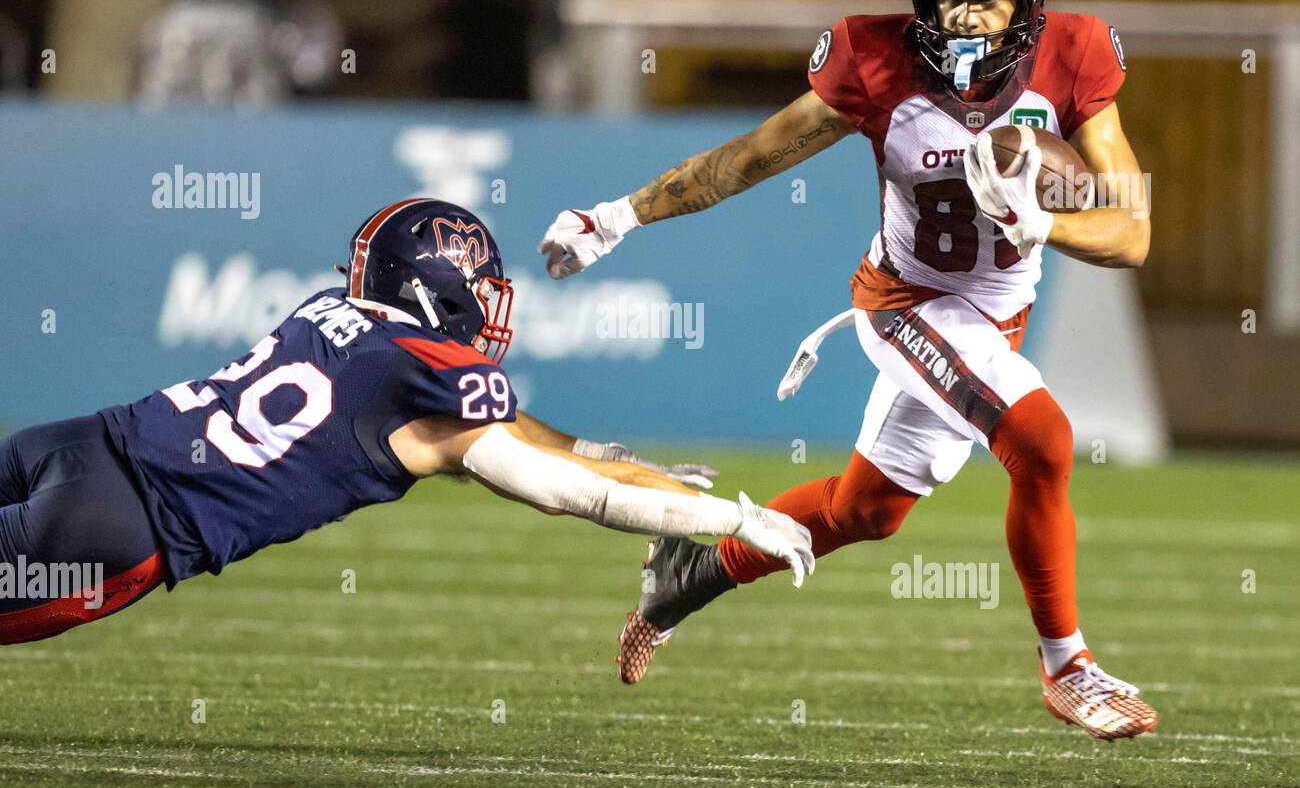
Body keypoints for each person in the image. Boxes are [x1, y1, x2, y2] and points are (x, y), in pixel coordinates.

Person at [537, 0, 1157, 740]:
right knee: (1043, 441)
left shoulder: (1077, 53)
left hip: (993, 321)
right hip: (906, 304)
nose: (966, 17)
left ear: (1032, 5)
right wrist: (616, 218)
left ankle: (692, 567)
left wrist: (1046, 222)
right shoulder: (873, 58)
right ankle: (1068, 668)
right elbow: (747, 158)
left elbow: (1132, 232)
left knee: (866, 512)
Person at [0, 199, 813, 645]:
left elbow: (511, 431)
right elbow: (576, 496)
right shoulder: (426, 395)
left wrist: (593, 449)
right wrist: (734, 519)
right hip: (114, 530)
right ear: (439, 290)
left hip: (73, 443)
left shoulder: (330, 312)